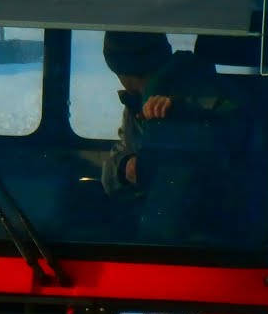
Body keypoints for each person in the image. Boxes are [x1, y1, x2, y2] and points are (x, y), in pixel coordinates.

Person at [98, 30, 240, 199]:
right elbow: (114, 166)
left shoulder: (206, 93)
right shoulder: (135, 105)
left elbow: (231, 140)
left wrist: (181, 110)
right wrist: (124, 166)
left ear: (121, 71)